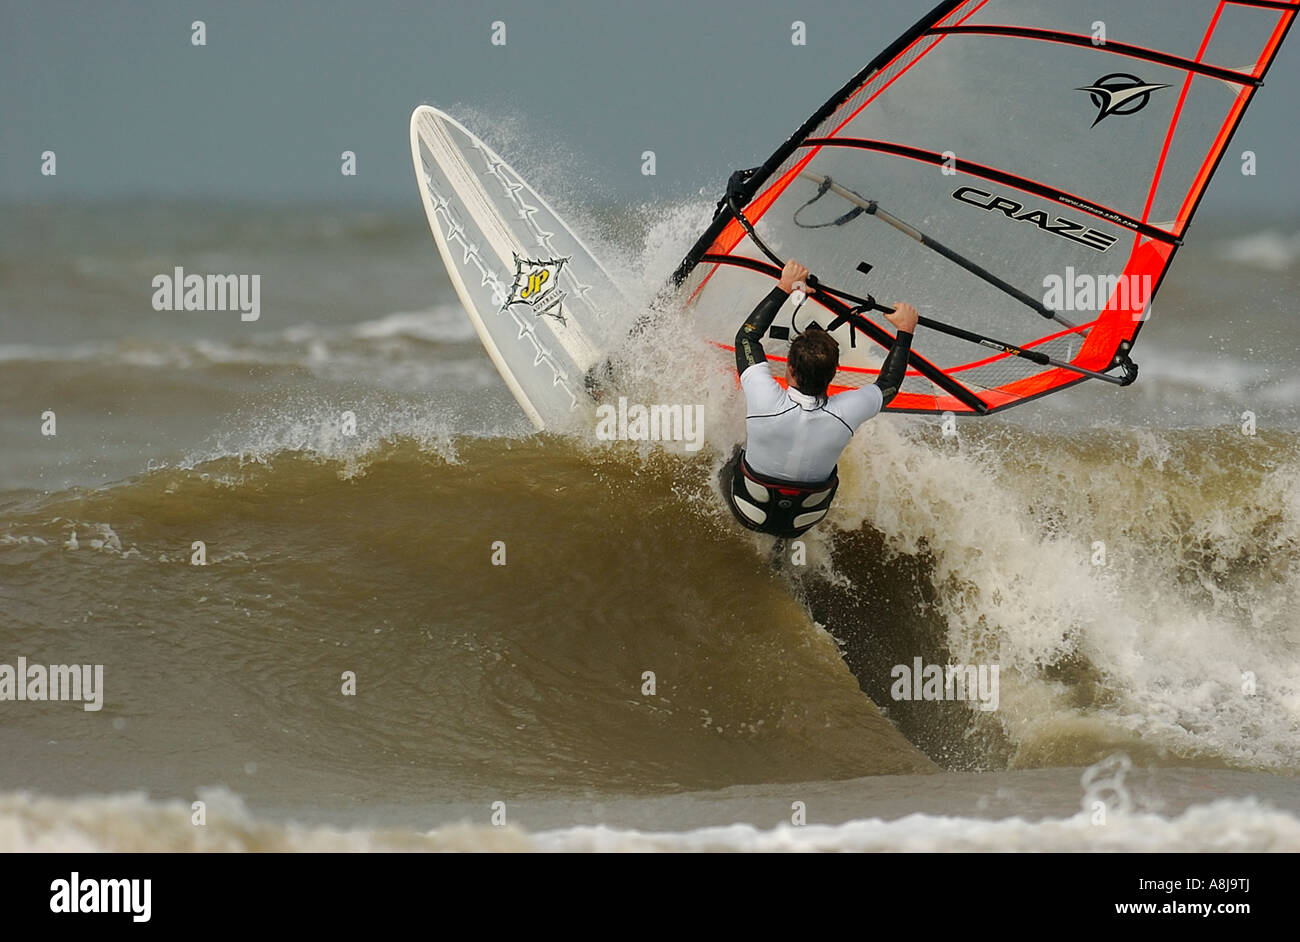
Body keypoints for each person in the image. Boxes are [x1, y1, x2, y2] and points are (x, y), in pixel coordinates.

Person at [723, 259, 918, 539]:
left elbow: (746, 339)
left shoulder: (764, 397)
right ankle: (784, 544)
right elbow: (889, 384)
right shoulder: (846, 412)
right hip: (802, 522)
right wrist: (905, 330)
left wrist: (784, 287)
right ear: (835, 374)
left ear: (789, 368)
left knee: (733, 450)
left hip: (746, 510)